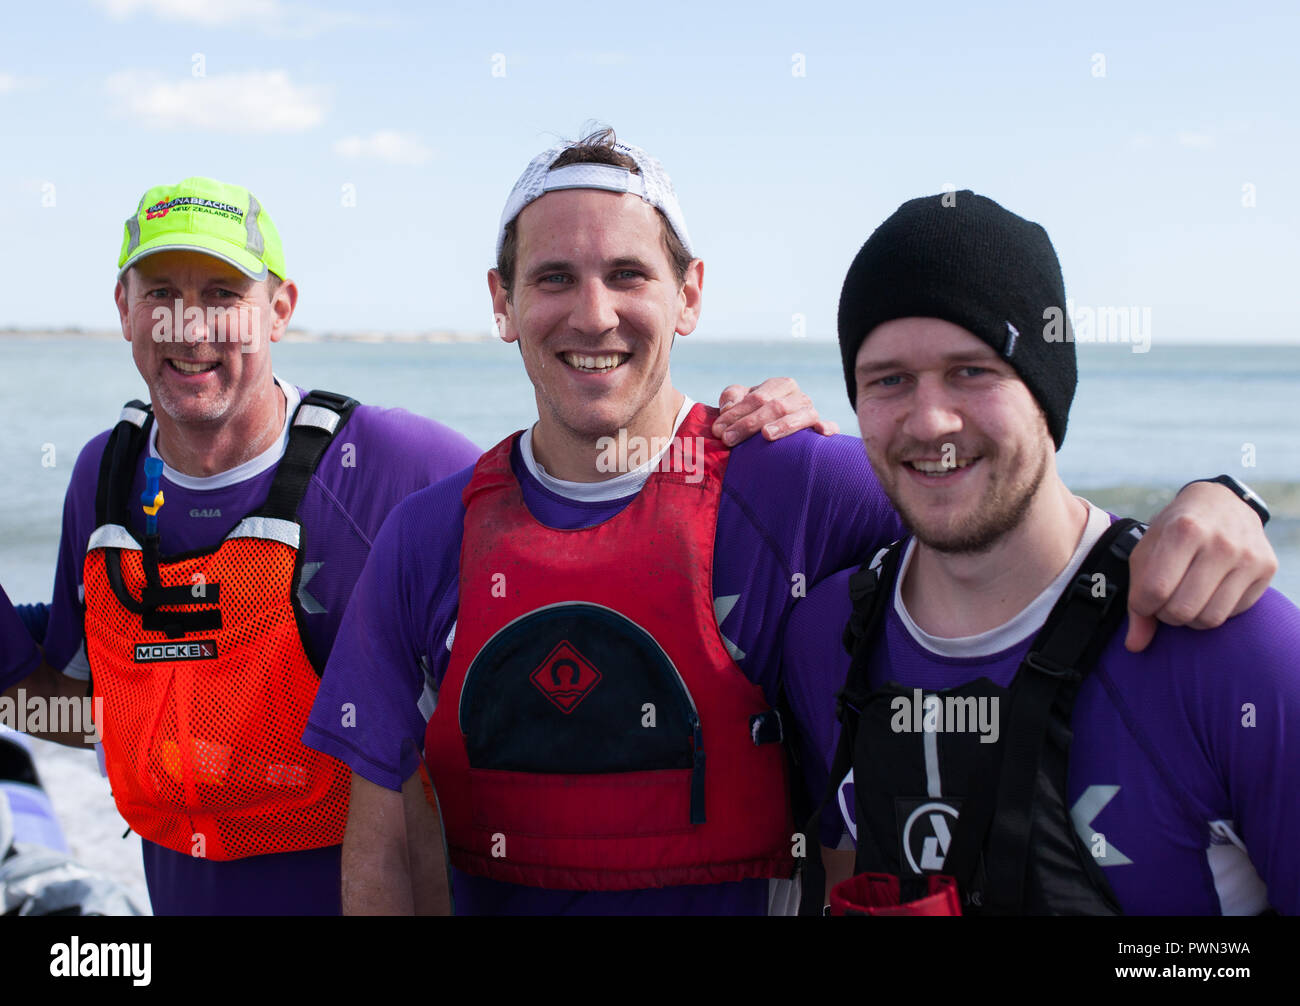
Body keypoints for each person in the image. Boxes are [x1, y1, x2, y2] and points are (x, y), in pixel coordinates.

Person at [304, 130, 1281, 916]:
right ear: (501, 303)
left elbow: (1013, 532)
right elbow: (385, 830)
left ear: (689, 295)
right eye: (553, 277)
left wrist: (1220, 504)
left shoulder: (805, 486)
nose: (591, 313)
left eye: (629, 275)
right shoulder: (429, 535)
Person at [0, 175, 831, 915]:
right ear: (123, 309)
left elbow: (577, 524)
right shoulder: (103, 478)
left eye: (222, 293)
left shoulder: (390, 463)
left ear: (279, 309)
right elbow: (84, 692)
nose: (190, 324)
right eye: (161, 292)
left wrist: (758, 449)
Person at [785, 191, 1297, 915]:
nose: (930, 420)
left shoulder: (1235, 647)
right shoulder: (825, 638)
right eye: (889, 380)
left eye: (973, 370)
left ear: (1047, 394)